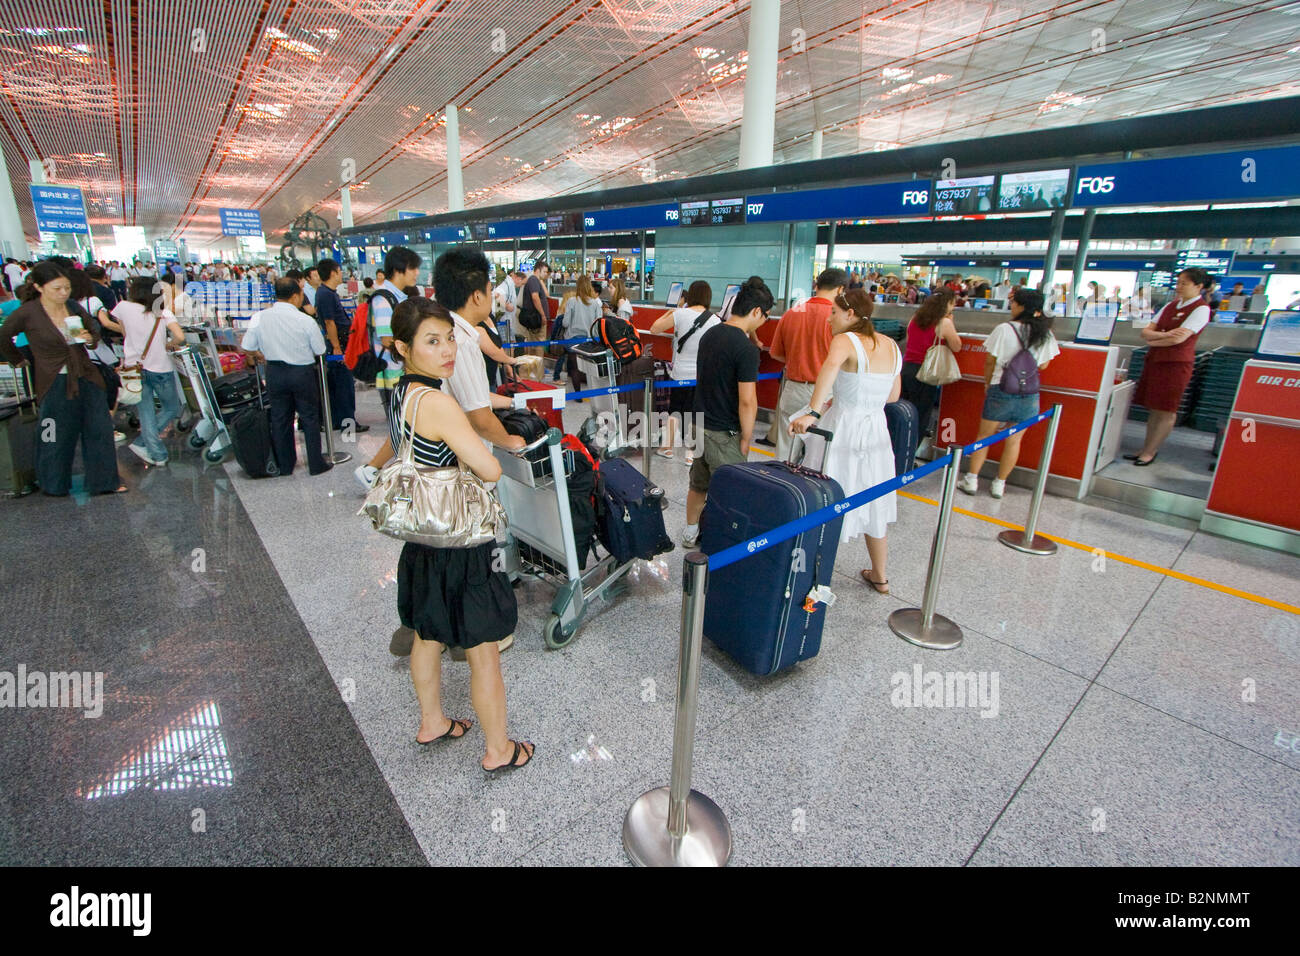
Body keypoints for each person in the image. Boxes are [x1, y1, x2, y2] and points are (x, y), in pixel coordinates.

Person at [383, 296, 533, 771]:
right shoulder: (439, 402)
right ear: (404, 347)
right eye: (432, 341)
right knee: (482, 650)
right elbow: (489, 468)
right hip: (462, 543)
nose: (447, 350)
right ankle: (499, 750)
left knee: (427, 633)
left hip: (422, 536)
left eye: (449, 338)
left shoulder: (400, 392)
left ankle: (432, 721)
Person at [789, 289, 901, 593]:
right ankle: (880, 576)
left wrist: (812, 411)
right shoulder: (891, 346)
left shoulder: (844, 341)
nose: (829, 318)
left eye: (834, 313)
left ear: (850, 314)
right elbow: (893, 396)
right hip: (877, 431)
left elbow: (826, 372)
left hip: (843, 429)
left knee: (826, 495)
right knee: (873, 498)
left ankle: (812, 575)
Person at [0, 261, 126, 495]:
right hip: (54, 380)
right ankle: (53, 483)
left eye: (67, 287)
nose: (64, 293)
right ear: (39, 286)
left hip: (86, 376)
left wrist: (90, 339)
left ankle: (104, 482)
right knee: (53, 432)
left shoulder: (72, 306)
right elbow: (4, 336)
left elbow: (93, 330)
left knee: (99, 428)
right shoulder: (28, 312)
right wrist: (18, 360)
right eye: (57, 288)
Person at [682, 276, 772, 548]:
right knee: (731, 489)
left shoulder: (711, 333)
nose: (764, 322)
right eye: (765, 316)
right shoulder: (746, 349)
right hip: (724, 431)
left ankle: (690, 532)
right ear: (756, 311)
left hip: (698, 423)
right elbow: (747, 401)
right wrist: (746, 437)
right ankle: (722, 541)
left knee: (698, 484)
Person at [957, 289, 1060, 497]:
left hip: (1000, 388)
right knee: (1014, 440)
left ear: (1022, 307)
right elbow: (1044, 365)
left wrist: (988, 383)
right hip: (1029, 394)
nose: (1011, 306)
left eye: (1014, 303)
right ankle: (999, 484)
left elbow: (989, 361)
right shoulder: (1046, 333)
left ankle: (972, 480)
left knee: (984, 436)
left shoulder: (1005, 329)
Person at [240, 277, 331, 476]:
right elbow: (320, 349)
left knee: (281, 418)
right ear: (294, 296)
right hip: (302, 373)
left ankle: (285, 465)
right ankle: (316, 464)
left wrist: (259, 354)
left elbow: (247, 346)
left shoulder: (261, 318)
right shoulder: (305, 320)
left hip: (274, 372)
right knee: (309, 417)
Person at [1123, 268, 1213, 466]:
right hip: (1155, 361)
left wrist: (1156, 338)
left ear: (1198, 286)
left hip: (1176, 365)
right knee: (1154, 409)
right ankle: (1146, 447)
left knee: (1166, 409)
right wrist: (1164, 336)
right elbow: (1146, 332)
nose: (1179, 287)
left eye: (1184, 284)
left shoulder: (1201, 309)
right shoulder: (1171, 306)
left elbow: (1180, 339)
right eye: (1178, 282)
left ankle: (1151, 451)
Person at [769, 268, 847, 459]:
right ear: (840, 290)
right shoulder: (838, 318)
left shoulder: (792, 313)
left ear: (816, 285)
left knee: (785, 452)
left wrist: (799, 359)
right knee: (818, 455)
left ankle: (783, 486)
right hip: (825, 394)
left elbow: (776, 354)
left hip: (793, 388)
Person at [114, 277, 185, 466]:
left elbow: (125, 334)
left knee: (146, 413)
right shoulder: (163, 312)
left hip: (133, 368)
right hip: (160, 367)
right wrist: (167, 344)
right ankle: (151, 449)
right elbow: (179, 336)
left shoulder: (123, 308)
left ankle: (155, 453)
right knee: (171, 407)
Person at [649, 279, 717, 464]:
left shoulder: (680, 314)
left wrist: (671, 311)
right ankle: (690, 454)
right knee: (696, 413)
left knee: (675, 410)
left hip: (680, 374)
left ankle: (667, 448)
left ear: (689, 296)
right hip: (701, 376)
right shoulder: (715, 320)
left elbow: (654, 328)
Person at [900, 288, 961, 441]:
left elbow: (909, 339)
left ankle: (898, 449)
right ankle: (910, 453)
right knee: (920, 416)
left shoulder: (915, 318)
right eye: (952, 304)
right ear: (947, 303)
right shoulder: (944, 322)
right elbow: (957, 346)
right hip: (926, 373)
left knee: (903, 413)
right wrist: (951, 323)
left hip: (906, 369)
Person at [313, 258, 367, 432]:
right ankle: (348, 424)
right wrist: (337, 348)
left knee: (338, 385)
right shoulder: (326, 294)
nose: (341, 274)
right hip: (339, 346)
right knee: (344, 385)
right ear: (332, 273)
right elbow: (329, 322)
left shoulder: (327, 292)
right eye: (339, 271)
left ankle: (338, 420)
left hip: (341, 343)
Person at [370, 247, 419, 428]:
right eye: (412, 268)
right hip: (392, 373)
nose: (417, 273)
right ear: (398, 270)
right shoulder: (383, 299)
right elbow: (386, 340)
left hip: (402, 370)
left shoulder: (398, 297)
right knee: (399, 426)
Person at [559, 275, 602, 384]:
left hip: (572, 340)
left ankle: (578, 395)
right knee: (587, 368)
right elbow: (598, 325)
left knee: (574, 368)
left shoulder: (572, 301)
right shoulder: (595, 304)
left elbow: (565, 323)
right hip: (588, 341)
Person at [519, 260, 552, 358]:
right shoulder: (533, 280)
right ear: (538, 270)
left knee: (534, 345)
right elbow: (535, 297)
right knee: (538, 345)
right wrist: (542, 315)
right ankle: (538, 370)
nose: (546, 274)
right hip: (537, 319)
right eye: (545, 272)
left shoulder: (535, 280)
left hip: (535, 319)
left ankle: (534, 370)